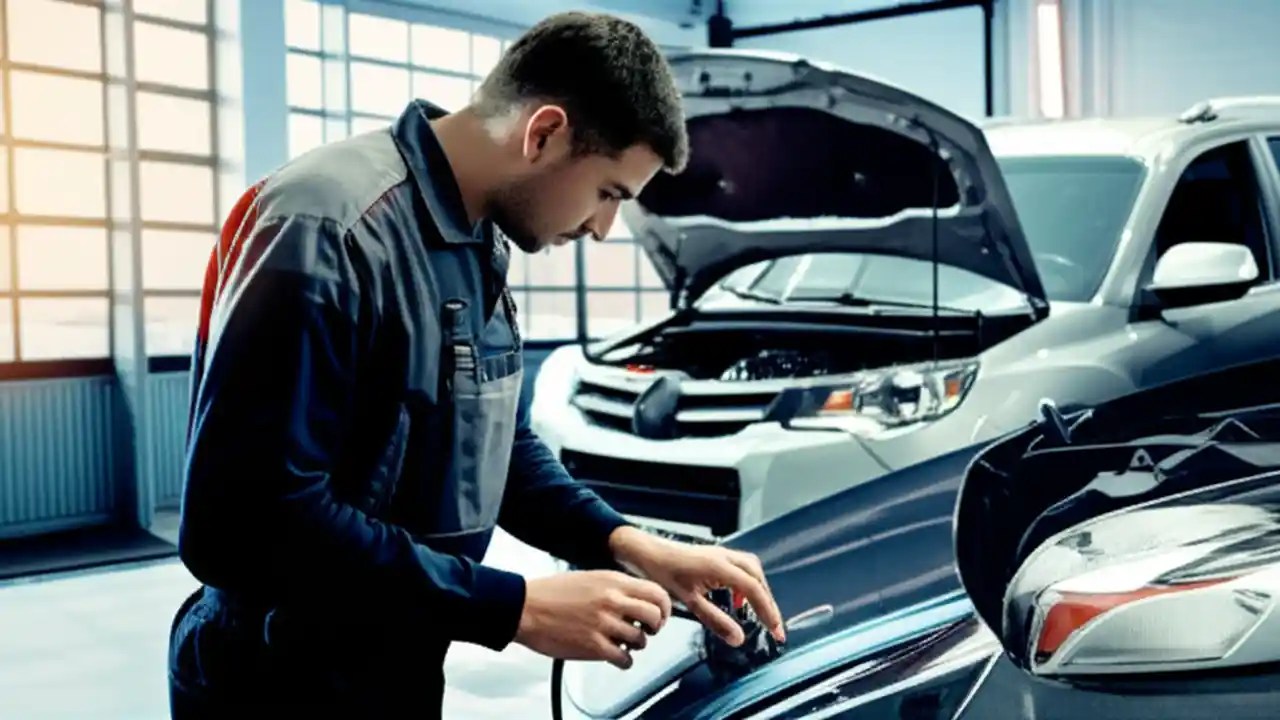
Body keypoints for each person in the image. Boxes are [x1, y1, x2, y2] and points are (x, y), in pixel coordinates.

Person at [167, 10, 784, 718]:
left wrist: (622, 540)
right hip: (275, 682)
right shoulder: (326, 226)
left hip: (390, 657)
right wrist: (511, 607)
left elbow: (489, 438)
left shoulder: (476, 239)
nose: (601, 228)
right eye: (609, 192)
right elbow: (239, 526)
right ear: (543, 132)